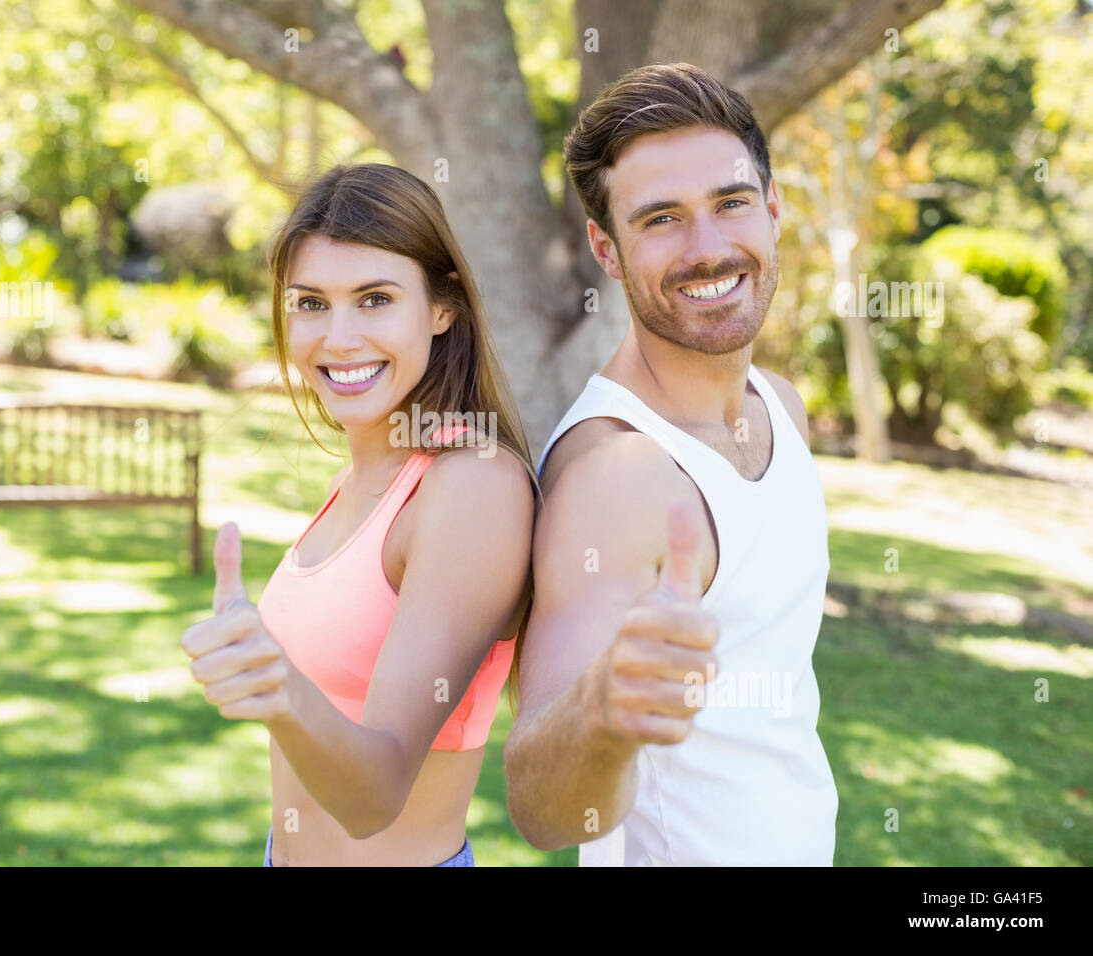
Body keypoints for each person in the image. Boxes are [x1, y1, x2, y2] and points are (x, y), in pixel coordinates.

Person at [503, 62, 839, 866]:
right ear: (606, 249)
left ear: (773, 210)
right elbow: (544, 811)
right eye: (662, 220)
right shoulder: (617, 474)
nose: (710, 247)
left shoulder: (780, 408)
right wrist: (605, 705)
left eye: (731, 203)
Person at [180, 163, 537, 866]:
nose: (338, 337)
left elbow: (376, 797)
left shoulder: (473, 488)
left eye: (374, 299)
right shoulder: (364, 477)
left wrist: (278, 687)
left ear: (443, 308)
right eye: (310, 303)